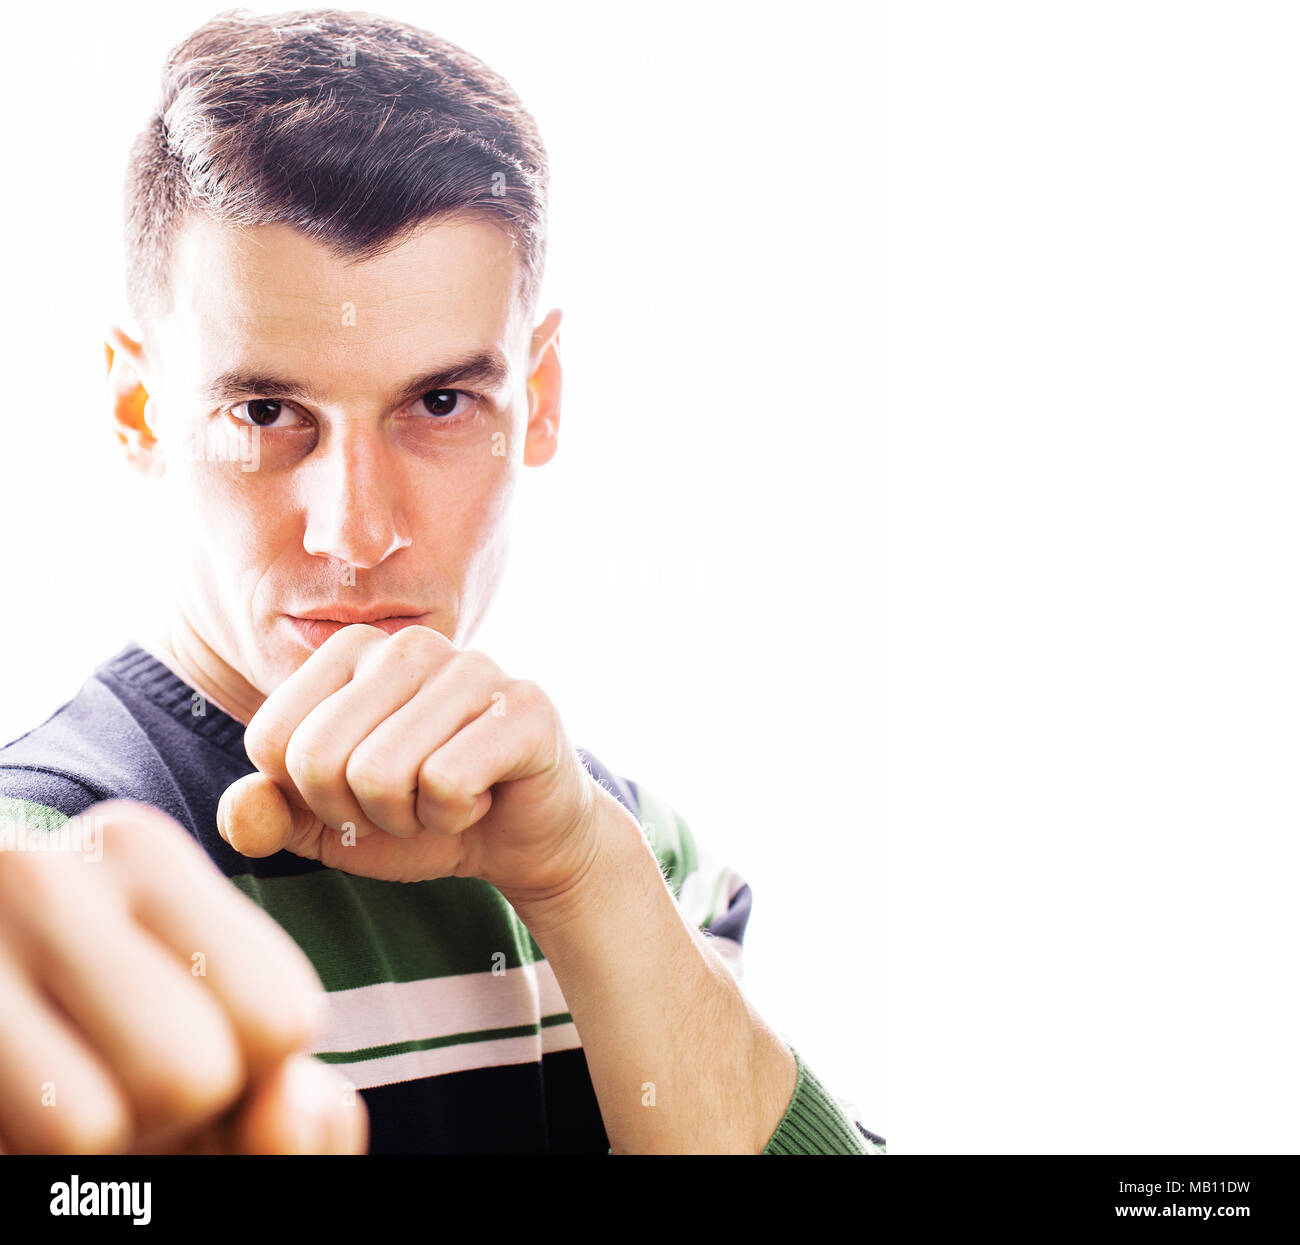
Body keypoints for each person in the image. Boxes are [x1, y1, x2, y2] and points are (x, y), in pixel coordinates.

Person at [0, 6, 885, 1155]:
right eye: (266, 413)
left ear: (542, 398)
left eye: (437, 404)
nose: (357, 535)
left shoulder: (643, 856)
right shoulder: (46, 858)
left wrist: (584, 875)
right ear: (140, 409)